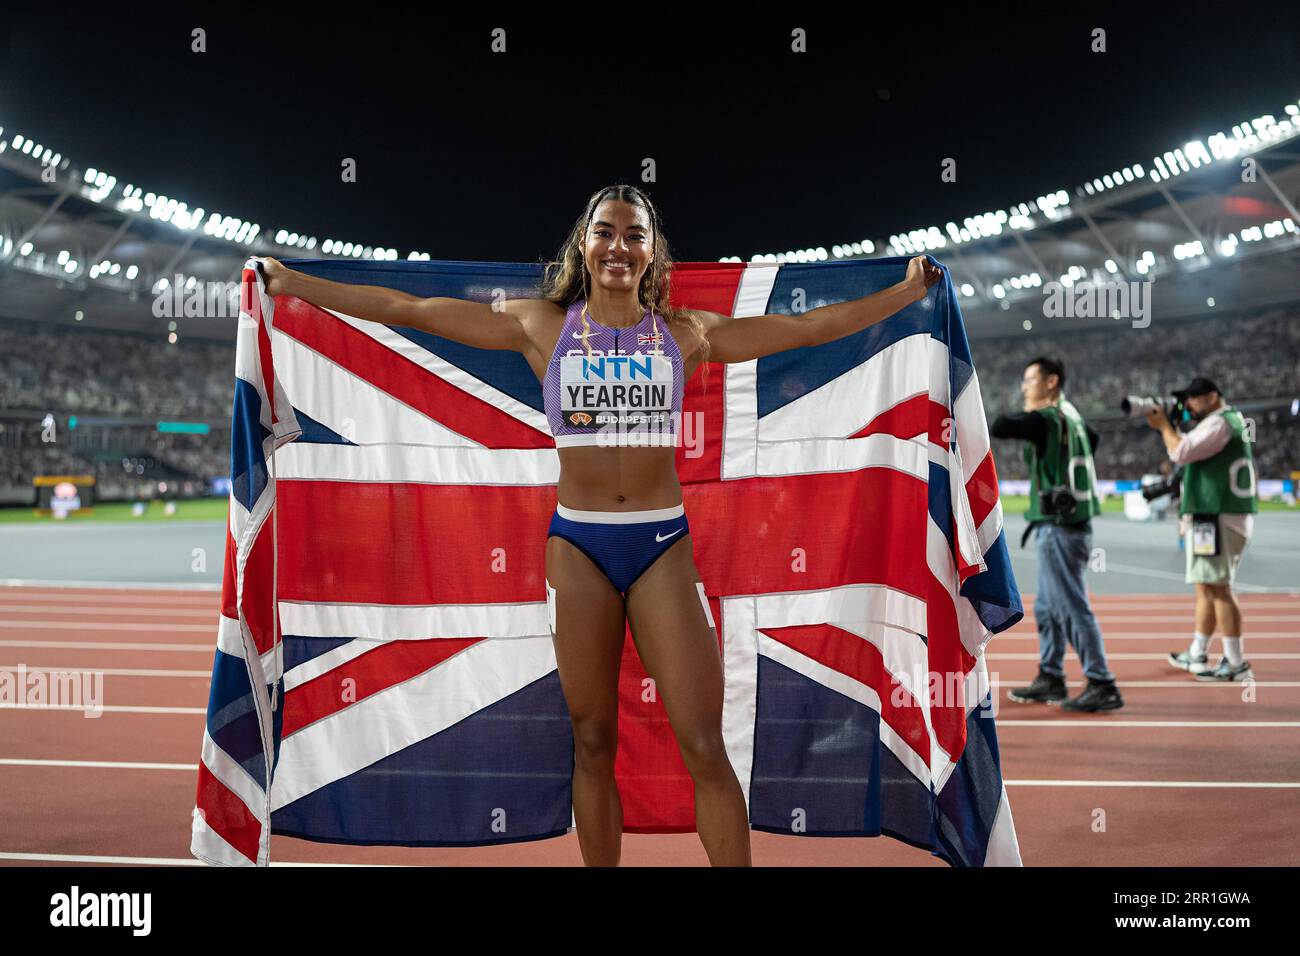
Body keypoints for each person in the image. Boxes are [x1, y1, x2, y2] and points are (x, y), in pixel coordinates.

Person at [257, 184, 942, 866]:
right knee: (592, 739)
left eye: (635, 234)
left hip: (661, 547)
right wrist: (291, 283)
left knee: (704, 743)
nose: (620, 246)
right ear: (583, 244)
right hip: (578, 546)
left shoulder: (685, 333)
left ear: (652, 251)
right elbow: (410, 310)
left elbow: (807, 329)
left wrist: (905, 294)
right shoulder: (539, 325)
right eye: (606, 232)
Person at [991, 357, 1123, 712]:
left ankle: (1102, 681)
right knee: (1049, 608)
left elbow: (1002, 425)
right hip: (1066, 525)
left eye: (1030, 380)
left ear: (1051, 382)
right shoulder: (1074, 418)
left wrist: (1030, 412)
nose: (1024, 387)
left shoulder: (1048, 418)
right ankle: (1051, 675)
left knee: (1071, 606)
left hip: (1062, 528)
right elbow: (1093, 440)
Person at [1146, 377, 1258, 681]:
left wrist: (1164, 428)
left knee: (1219, 589)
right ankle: (1198, 651)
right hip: (1217, 517)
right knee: (1207, 588)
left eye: (1193, 399)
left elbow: (1181, 451)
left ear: (1212, 396)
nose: (1189, 406)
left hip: (1218, 517)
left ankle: (1236, 664)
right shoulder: (1225, 421)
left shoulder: (1220, 423)